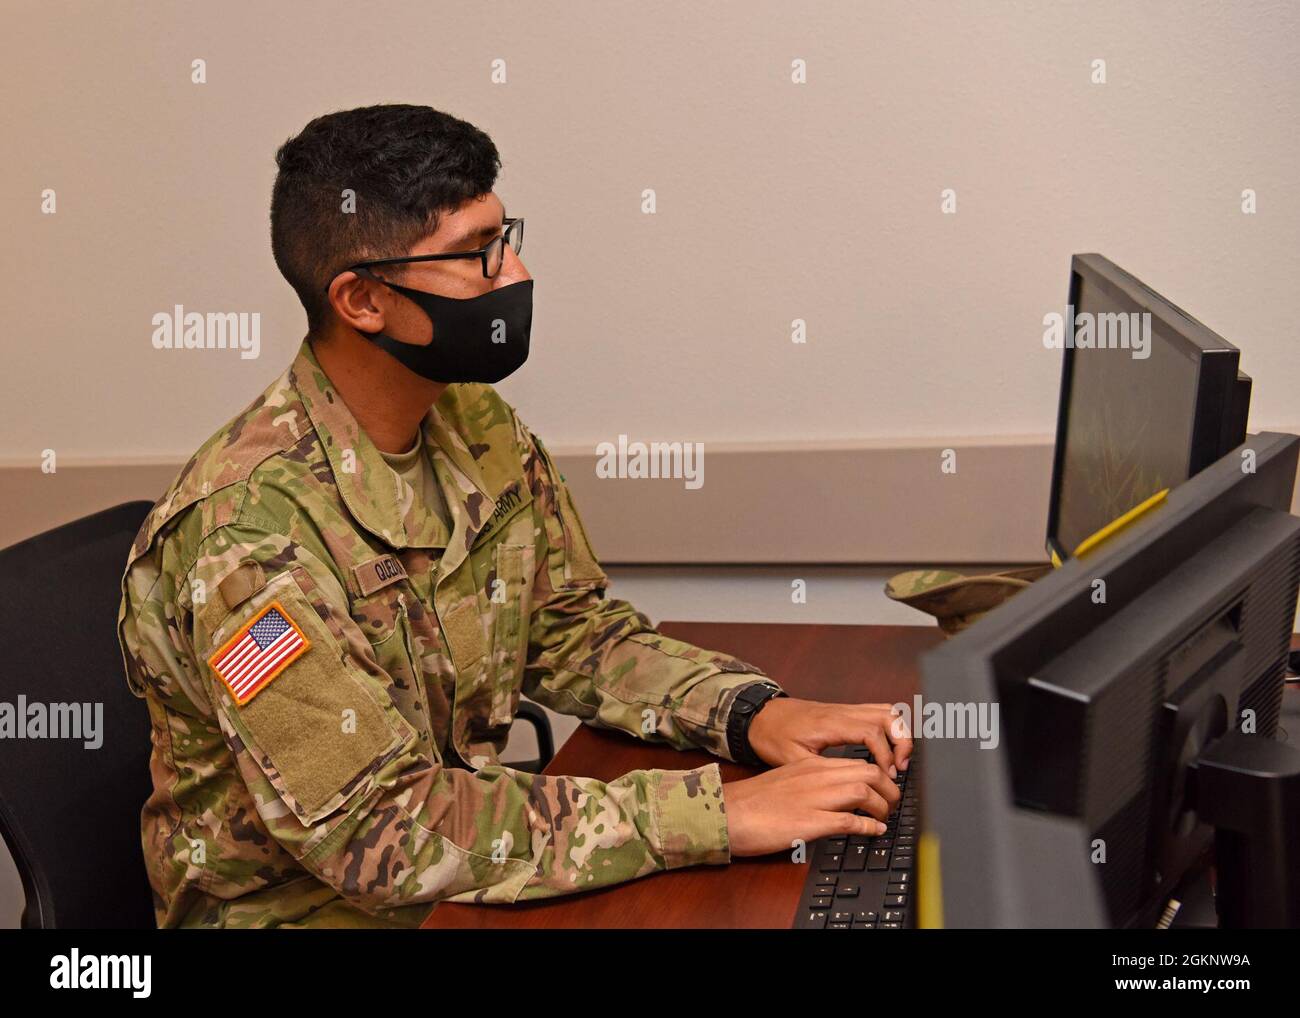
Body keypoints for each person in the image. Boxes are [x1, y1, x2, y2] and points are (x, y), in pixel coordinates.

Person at [117, 104, 912, 927]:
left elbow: (572, 631)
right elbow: (379, 832)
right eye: (474, 254)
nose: (514, 272)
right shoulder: (246, 539)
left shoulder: (472, 423)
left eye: (506, 236)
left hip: (461, 882)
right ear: (361, 300)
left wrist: (749, 715)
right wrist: (714, 814)